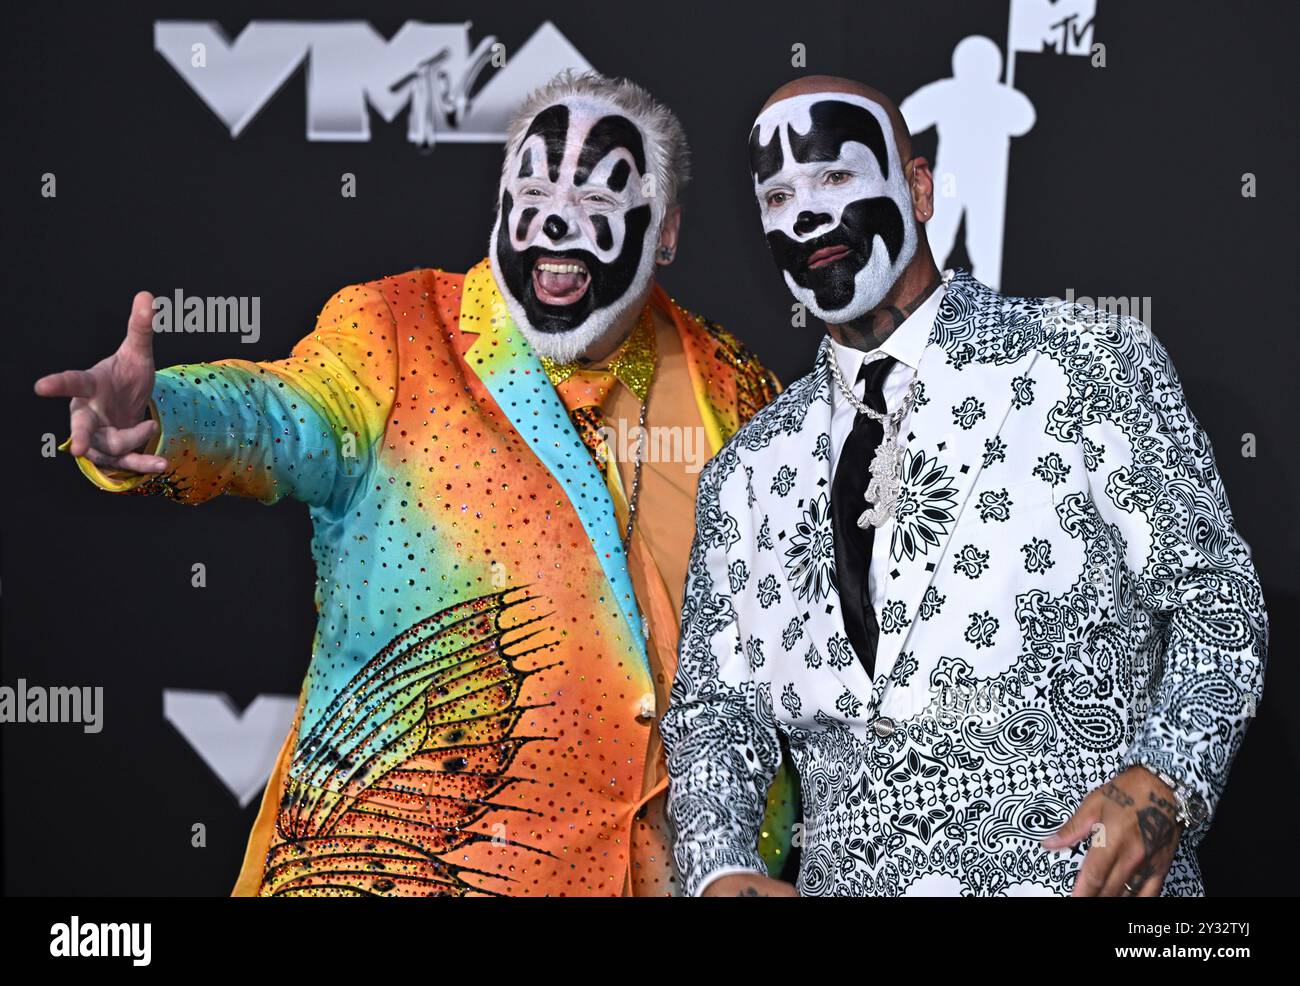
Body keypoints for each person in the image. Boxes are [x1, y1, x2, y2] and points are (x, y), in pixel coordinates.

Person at [35, 70, 792, 897]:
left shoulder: (733, 384)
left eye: (604, 191)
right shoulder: (399, 331)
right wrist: (160, 418)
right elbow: (281, 417)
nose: (557, 216)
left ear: (668, 230)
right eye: (533, 184)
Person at [662, 75, 1267, 897]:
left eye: (836, 177)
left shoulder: (1081, 361)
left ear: (917, 189)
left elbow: (1216, 594)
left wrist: (1163, 781)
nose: (806, 213)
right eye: (778, 194)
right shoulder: (746, 472)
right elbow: (712, 716)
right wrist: (719, 872)